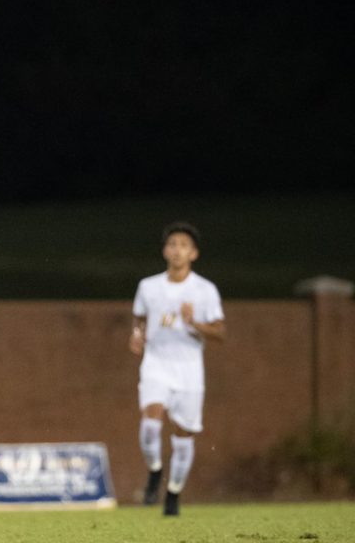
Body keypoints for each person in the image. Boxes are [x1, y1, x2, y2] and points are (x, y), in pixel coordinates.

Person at [129, 221, 225, 516]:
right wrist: (136, 334)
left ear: (193, 254)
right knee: (150, 422)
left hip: (189, 369)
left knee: (183, 435)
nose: (177, 250)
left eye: (184, 245)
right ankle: (156, 470)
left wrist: (193, 322)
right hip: (156, 363)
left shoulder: (205, 290)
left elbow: (220, 333)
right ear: (165, 251)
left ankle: (173, 493)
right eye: (173, 244)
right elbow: (139, 319)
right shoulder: (148, 286)